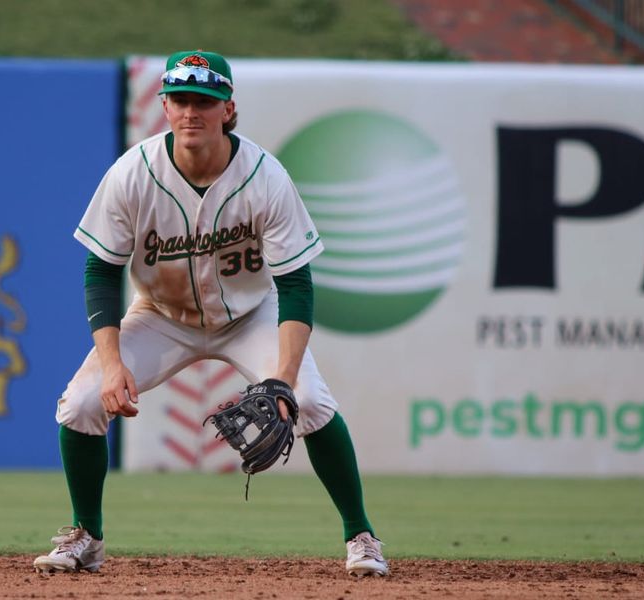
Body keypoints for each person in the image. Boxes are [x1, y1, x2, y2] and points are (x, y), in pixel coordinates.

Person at [33, 50, 388, 578]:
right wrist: (111, 364)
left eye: (205, 100)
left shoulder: (266, 177)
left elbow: (295, 285)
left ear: (229, 109)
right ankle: (87, 535)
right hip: (159, 315)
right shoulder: (134, 172)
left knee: (311, 400)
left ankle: (362, 536)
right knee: (82, 403)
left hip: (250, 314)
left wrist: (284, 383)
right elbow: (100, 272)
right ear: (165, 106)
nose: (191, 112)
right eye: (180, 99)